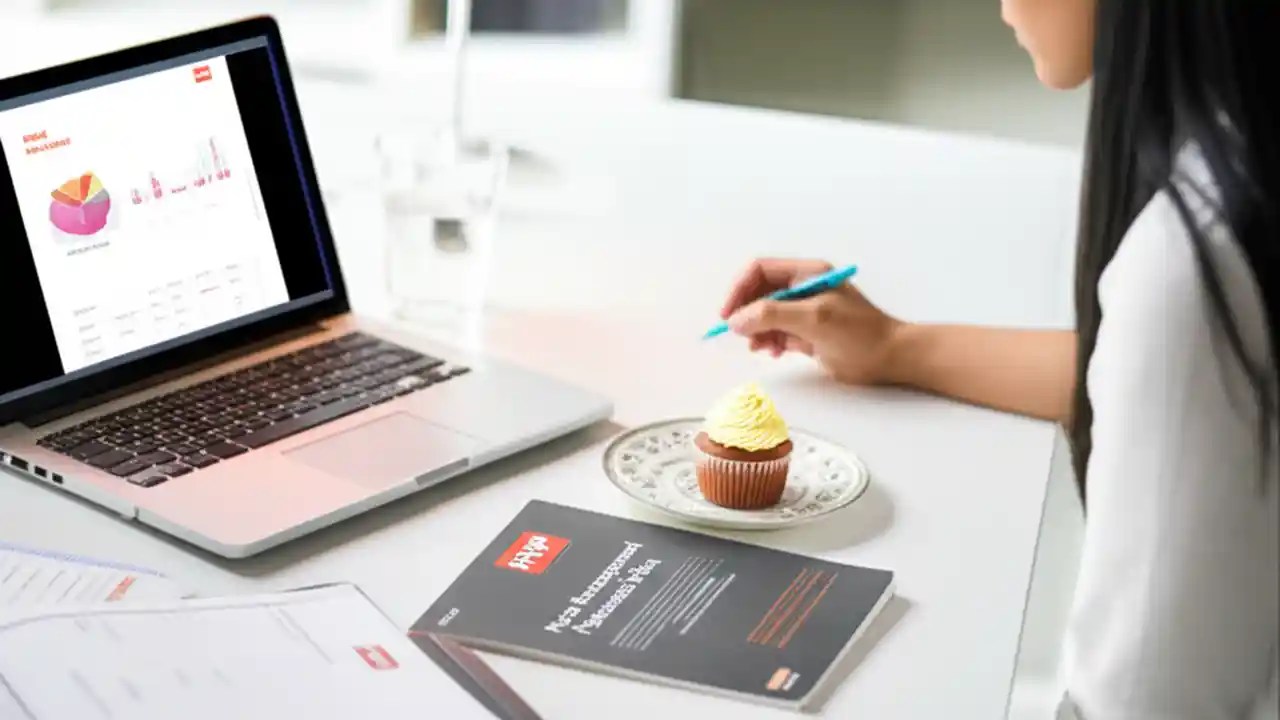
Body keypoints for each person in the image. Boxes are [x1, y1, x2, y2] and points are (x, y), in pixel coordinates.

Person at [719, 2, 1278, 718]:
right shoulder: (1241, 184)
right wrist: (894, 346)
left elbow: (1138, 705)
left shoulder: (1195, 273)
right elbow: (1156, 385)